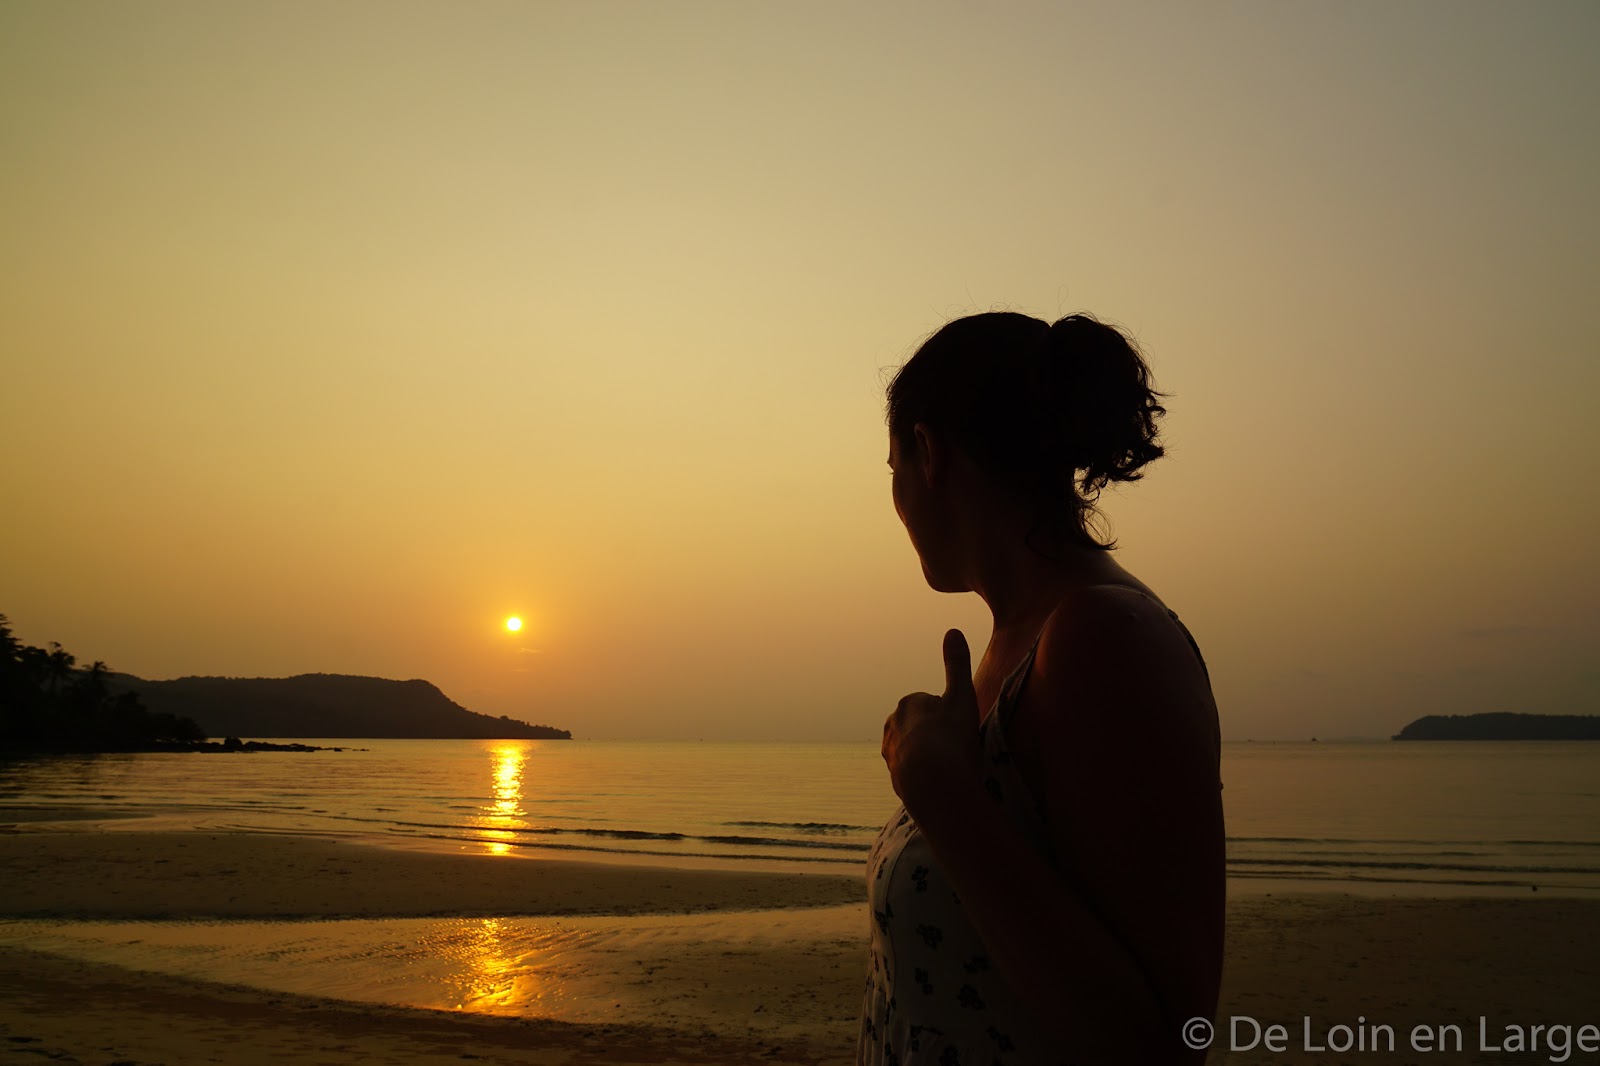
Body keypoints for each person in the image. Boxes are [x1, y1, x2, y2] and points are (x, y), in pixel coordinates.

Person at [860, 311, 1224, 1065]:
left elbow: (1161, 1044)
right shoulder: (1021, 643)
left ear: (927, 452)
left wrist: (939, 792)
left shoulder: (1101, 637)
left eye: (891, 467)